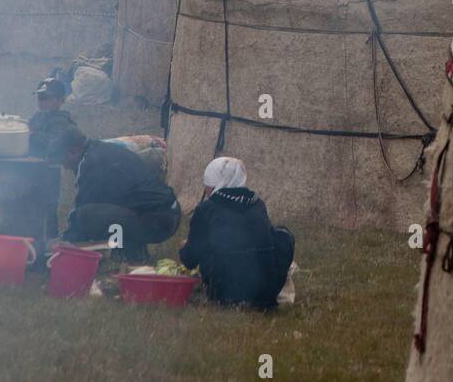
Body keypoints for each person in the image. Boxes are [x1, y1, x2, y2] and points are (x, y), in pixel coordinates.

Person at [179, 157, 295, 309]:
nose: (206, 189)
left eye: (207, 184)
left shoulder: (207, 209)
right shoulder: (257, 204)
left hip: (224, 291)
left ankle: (227, 295)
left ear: (215, 184)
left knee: (205, 244)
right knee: (282, 234)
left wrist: (185, 248)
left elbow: (190, 260)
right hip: (264, 292)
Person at [49, 127, 180, 261]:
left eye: (63, 160)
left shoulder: (90, 162)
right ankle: (128, 250)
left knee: (87, 214)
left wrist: (69, 242)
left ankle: (129, 253)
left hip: (158, 221)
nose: (64, 166)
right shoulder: (103, 149)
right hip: (169, 212)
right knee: (105, 210)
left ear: (73, 151)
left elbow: (82, 206)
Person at [27, 76, 78, 157]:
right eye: (40, 98)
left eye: (47, 99)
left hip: (47, 164)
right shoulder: (38, 116)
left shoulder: (61, 121)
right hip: (32, 157)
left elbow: (54, 143)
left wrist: (31, 135)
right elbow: (29, 126)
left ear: (61, 100)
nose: (42, 102)